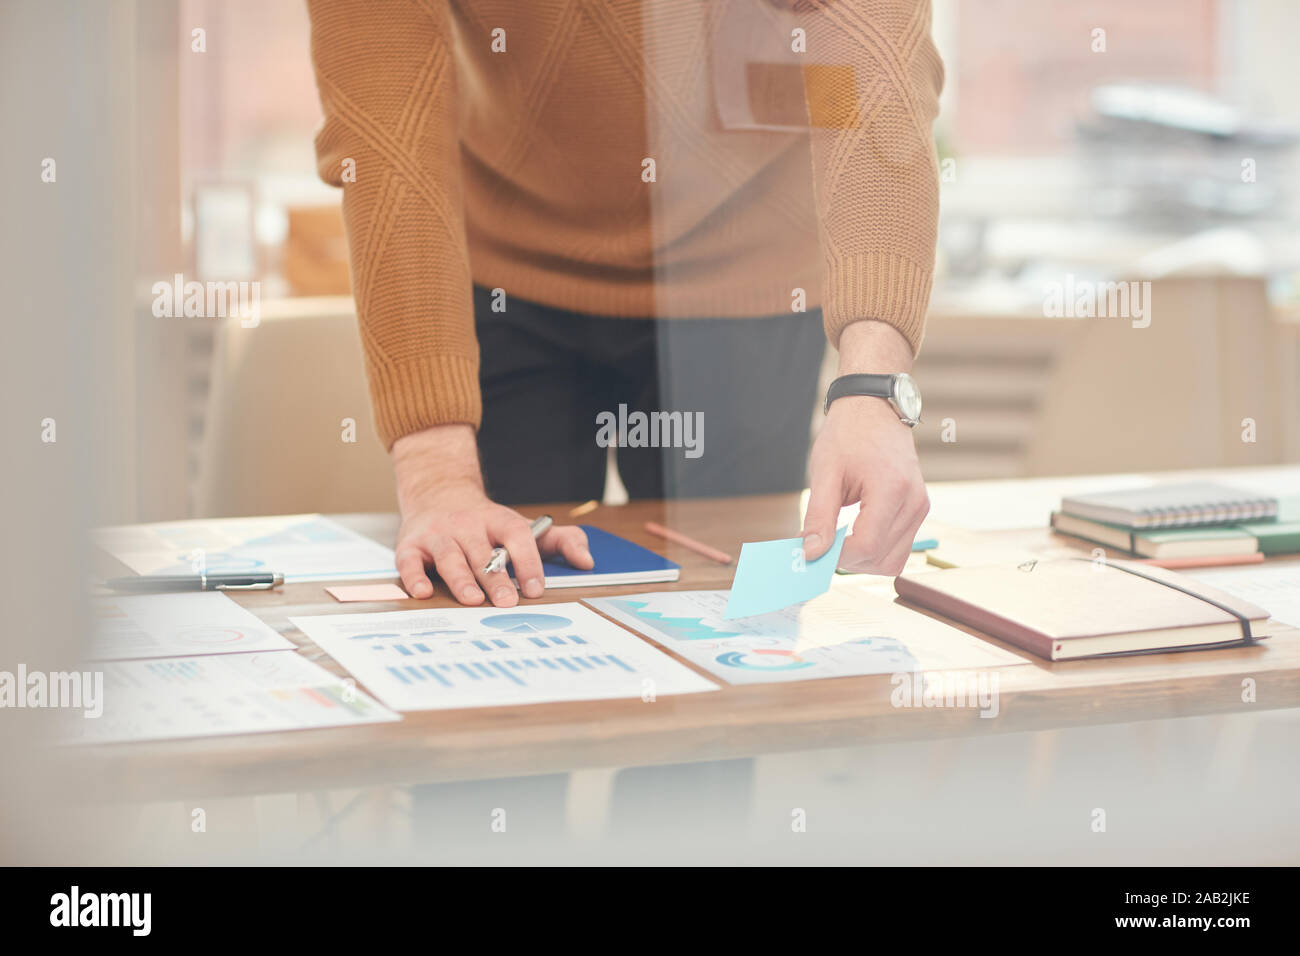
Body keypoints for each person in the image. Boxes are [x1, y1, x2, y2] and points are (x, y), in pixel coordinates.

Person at [308, 0, 942, 607]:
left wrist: (871, 385)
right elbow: (388, 130)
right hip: (507, 263)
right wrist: (437, 478)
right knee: (494, 588)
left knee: (733, 607)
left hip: (746, 269)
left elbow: (875, 65)